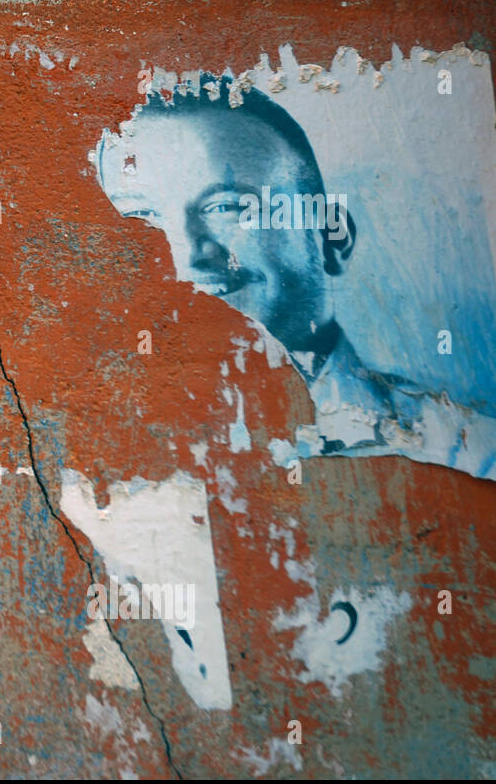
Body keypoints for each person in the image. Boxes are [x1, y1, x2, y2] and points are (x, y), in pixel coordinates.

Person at [95, 75, 496, 480]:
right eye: (142, 219)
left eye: (226, 208)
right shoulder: (101, 456)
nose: (185, 256)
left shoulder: (470, 453)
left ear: (331, 237)